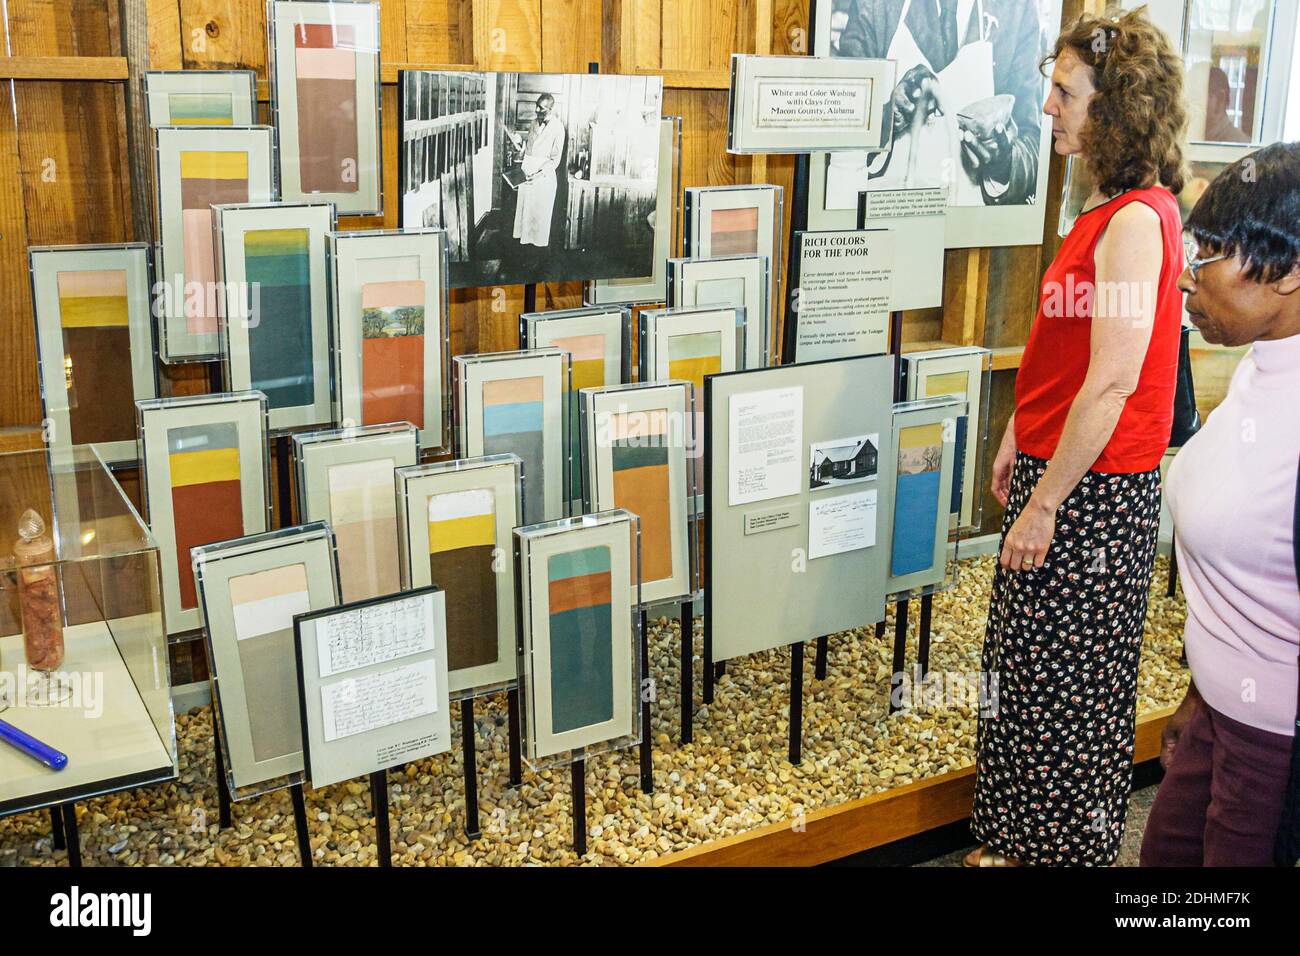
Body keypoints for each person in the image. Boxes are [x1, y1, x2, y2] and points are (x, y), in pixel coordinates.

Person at [965, 8, 1187, 866]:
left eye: (1066, 92)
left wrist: (1046, 501)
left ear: (1117, 106)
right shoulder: (1103, 205)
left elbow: (1114, 381)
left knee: (1069, 693)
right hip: (1062, 470)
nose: (1048, 106)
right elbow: (1067, 347)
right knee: (1024, 678)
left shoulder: (1134, 220)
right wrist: (1020, 430)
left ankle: (1054, 854)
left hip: (1092, 493)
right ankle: (1014, 843)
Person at [1139, 142, 1300, 867]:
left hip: (1272, 745)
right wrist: (1199, 695)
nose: (1186, 277)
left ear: (1289, 270)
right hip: (1219, 712)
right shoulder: (1260, 369)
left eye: (1208, 256)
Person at [835, 0, 1045, 205]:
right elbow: (840, 122)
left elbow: (1035, 147)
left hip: (971, 222)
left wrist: (1004, 163)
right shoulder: (875, 6)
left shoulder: (1018, 9)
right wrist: (885, 118)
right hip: (887, 213)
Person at [508, 93, 565, 250]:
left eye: (541, 108)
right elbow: (529, 147)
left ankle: (538, 254)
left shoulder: (558, 128)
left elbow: (555, 159)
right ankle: (524, 250)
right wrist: (519, 143)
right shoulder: (534, 123)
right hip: (527, 173)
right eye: (536, 106)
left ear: (551, 109)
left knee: (539, 219)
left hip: (543, 177)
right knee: (524, 214)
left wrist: (538, 174)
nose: (537, 110)